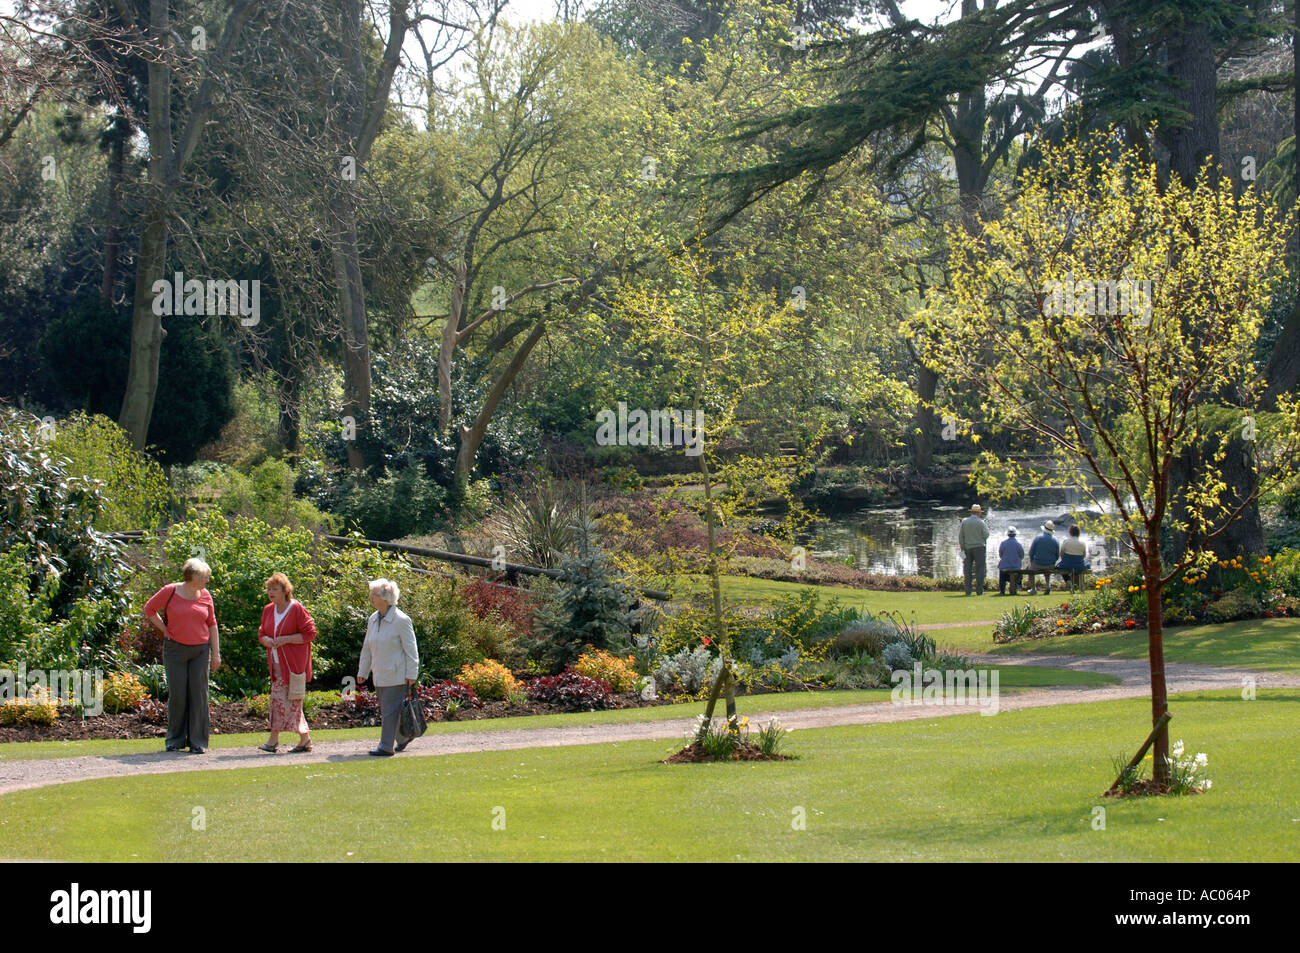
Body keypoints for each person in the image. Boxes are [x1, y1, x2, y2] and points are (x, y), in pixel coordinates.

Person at [143, 558, 221, 753]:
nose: (206, 581)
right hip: (175, 649)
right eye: (204, 577)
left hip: (200, 651)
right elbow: (149, 609)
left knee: (199, 695)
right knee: (178, 695)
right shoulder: (170, 591)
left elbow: (212, 624)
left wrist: (216, 654)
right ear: (193, 577)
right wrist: (164, 628)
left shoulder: (205, 595)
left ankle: (198, 742)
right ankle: (175, 740)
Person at [257, 573, 318, 754]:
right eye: (269, 589)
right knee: (280, 701)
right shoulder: (268, 610)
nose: (271, 592)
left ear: (285, 591)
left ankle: (274, 740)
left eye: (275, 589)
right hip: (276, 665)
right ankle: (303, 739)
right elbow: (261, 632)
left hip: (294, 667)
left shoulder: (297, 608)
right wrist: (266, 640)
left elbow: (310, 633)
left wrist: (286, 639)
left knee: (289, 702)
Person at [357, 578, 418, 757]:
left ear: (386, 598)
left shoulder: (401, 620)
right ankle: (403, 737)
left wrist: (412, 673)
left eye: (374, 594)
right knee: (389, 710)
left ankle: (386, 746)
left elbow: (411, 649)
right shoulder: (373, 620)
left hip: (396, 674)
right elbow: (367, 647)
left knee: (389, 712)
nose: (371, 597)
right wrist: (363, 671)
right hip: (380, 674)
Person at [959, 503, 990, 596]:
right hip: (979, 548)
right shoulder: (981, 522)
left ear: (972, 512)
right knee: (980, 569)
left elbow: (961, 536)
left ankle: (968, 590)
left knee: (967, 570)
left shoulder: (964, 522)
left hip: (967, 548)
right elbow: (986, 535)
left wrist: (962, 547)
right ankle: (979, 590)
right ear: (979, 513)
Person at [1025, 520, 1061, 594]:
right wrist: (1052, 561)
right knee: (1047, 570)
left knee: (1029, 569)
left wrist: (1032, 561)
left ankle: (1033, 589)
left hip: (1038, 564)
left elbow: (1031, 552)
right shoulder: (1056, 540)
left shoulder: (1037, 538)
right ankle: (1047, 586)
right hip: (1050, 565)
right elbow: (1057, 555)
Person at [1056, 525, 1091, 591]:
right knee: (1083, 565)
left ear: (1070, 532)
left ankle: (1068, 581)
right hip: (1079, 565)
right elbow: (1084, 555)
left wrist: (1066, 560)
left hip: (1067, 565)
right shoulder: (1083, 543)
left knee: (1060, 568)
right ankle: (1077, 584)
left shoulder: (1066, 542)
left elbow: (1061, 554)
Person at [997, 527, 1025, 595]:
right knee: (1019, 571)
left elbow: (1000, 555)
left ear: (1008, 534)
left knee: (1002, 572)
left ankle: (1002, 590)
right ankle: (1018, 586)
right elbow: (1022, 556)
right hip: (1016, 567)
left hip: (1005, 567)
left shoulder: (1003, 543)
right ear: (1015, 534)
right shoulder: (1018, 544)